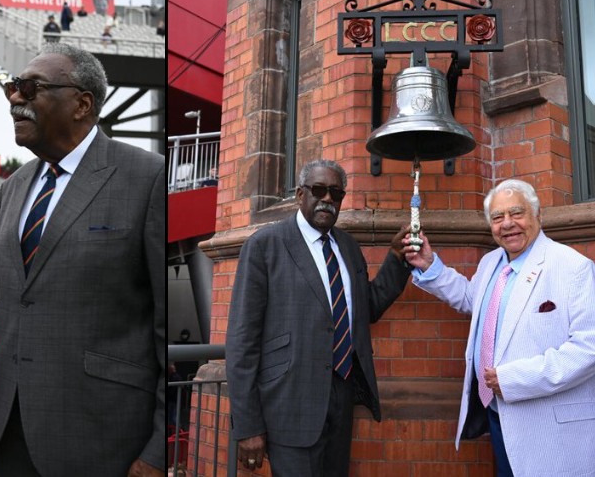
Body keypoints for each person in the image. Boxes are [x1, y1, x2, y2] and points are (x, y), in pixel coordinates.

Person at [0, 43, 164, 476]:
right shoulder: (16, 185)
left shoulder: (146, 177)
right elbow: (12, 287)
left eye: (30, 87)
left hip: (104, 437)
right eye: (12, 87)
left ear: (82, 104)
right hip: (12, 428)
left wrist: (158, 448)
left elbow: (164, 325)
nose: (14, 98)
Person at [226, 159, 411, 476]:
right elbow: (242, 341)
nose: (328, 199)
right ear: (300, 194)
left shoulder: (348, 247)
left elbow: (367, 308)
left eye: (336, 193)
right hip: (289, 405)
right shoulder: (265, 245)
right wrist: (248, 425)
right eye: (319, 190)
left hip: (340, 398)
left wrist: (397, 259)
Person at [404, 179, 595, 476]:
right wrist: (430, 266)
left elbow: (588, 350)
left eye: (516, 213)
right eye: (497, 217)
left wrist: (513, 379)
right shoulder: (491, 262)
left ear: (538, 215)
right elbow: (473, 300)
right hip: (499, 416)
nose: (507, 224)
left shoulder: (573, 267)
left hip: (548, 425)